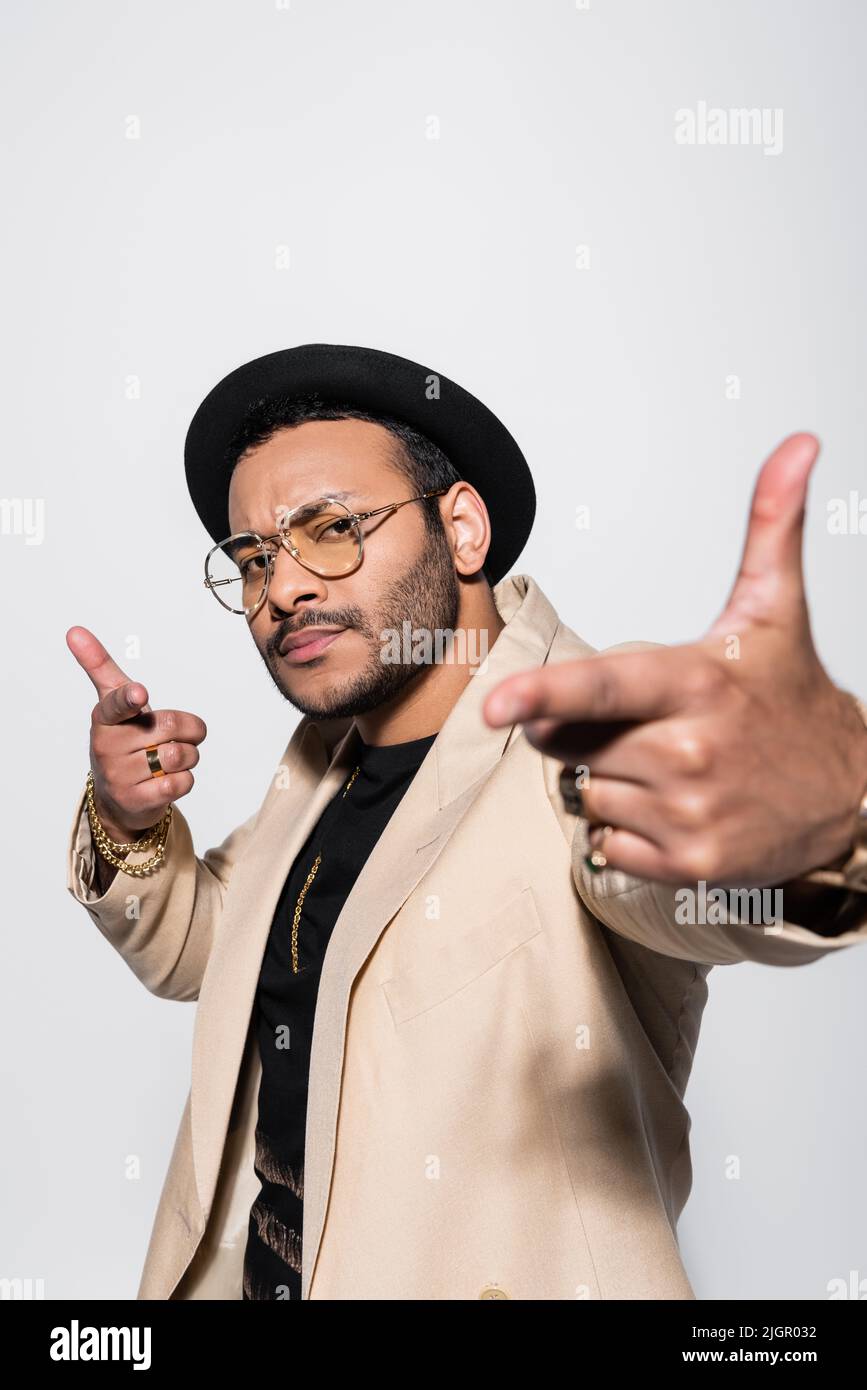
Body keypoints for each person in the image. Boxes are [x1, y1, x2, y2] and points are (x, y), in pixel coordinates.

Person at [65, 344, 867, 1300]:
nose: (282, 589)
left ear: (463, 528)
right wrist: (125, 819)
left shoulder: (585, 741)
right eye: (254, 558)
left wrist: (815, 823)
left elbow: (680, 872)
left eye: (330, 528)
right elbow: (207, 954)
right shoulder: (319, 775)